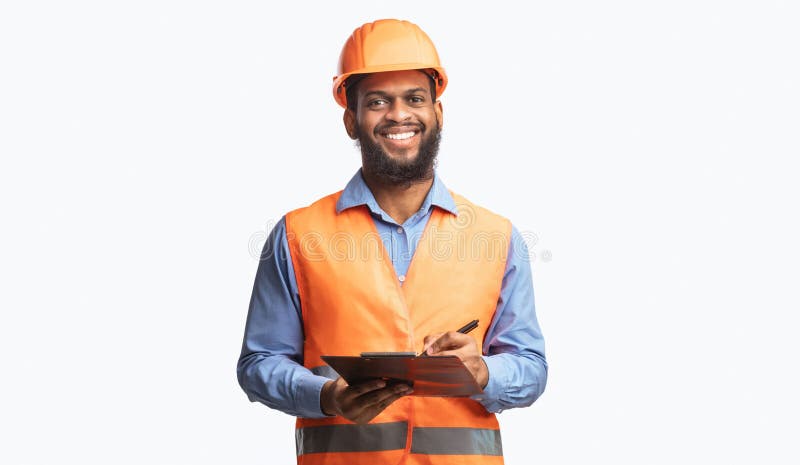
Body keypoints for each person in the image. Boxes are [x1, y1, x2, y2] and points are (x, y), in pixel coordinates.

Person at [237, 18, 547, 465]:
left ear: (437, 112)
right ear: (351, 119)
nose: (399, 115)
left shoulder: (496, 237)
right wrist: (326, 396)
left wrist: (484, 371)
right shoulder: (297, 235)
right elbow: (258, 363)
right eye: (378, 101)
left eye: (415, 99)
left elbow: (532, 367)